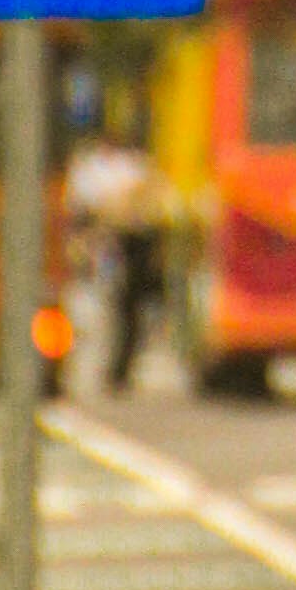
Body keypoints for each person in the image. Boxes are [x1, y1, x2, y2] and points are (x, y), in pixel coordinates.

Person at [63, 123, 168, 395]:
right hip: (109, 245)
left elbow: (150, 201)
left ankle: (118, 370)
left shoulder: (133, 165)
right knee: (110, 311)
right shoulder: (97, 166)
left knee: (124, 311)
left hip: (130, 247)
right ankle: (114, 369)